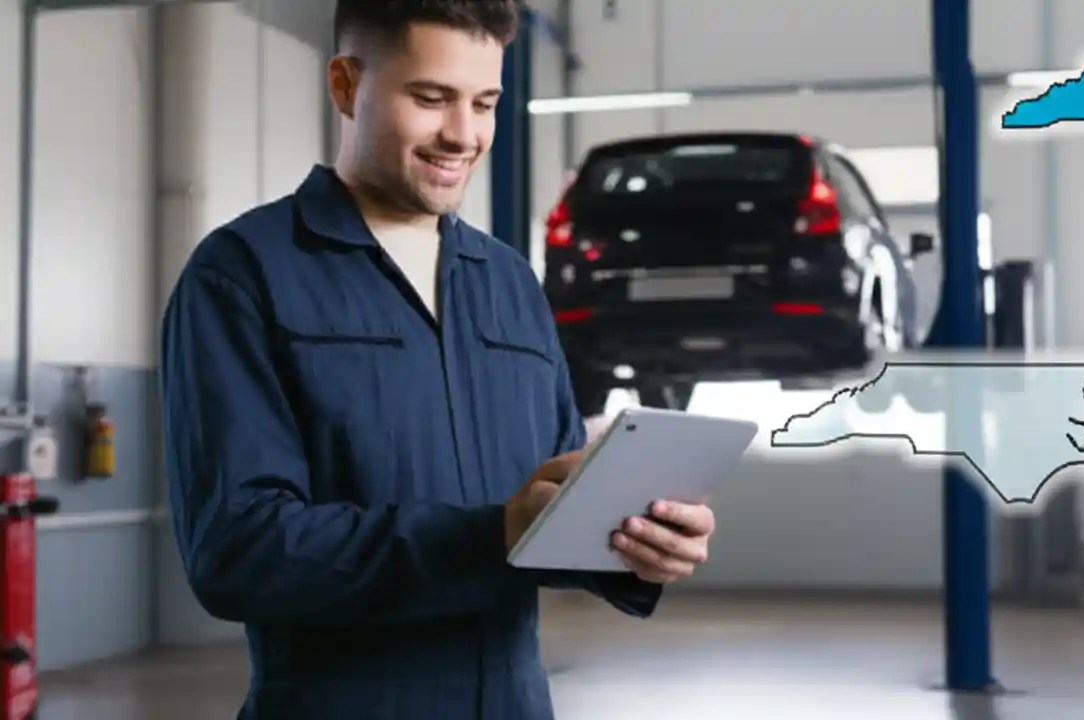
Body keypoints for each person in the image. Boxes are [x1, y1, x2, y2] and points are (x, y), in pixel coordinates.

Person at [158, 2, 719, 718]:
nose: (464, 134)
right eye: (431, 98)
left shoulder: (510, 284)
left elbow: (552, 508)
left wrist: (641, 541)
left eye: (484, 103)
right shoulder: (244, 275)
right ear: (345, 85)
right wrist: (490, 535)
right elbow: (237, 551)